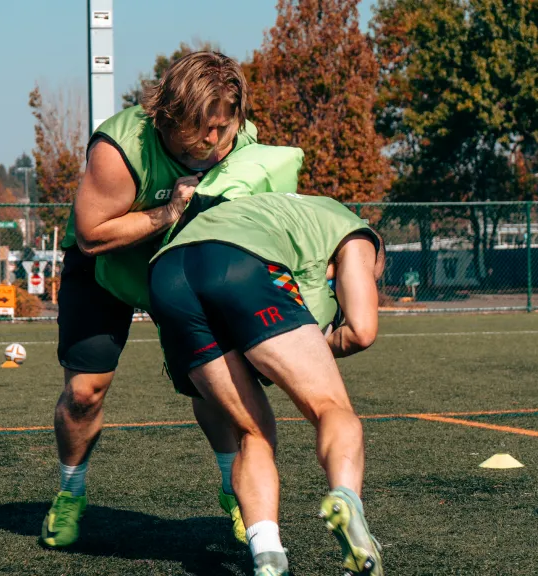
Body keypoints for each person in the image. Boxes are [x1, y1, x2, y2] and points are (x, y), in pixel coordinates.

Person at [42, 51, 259, 549]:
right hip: (106, 267)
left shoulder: (239, 140)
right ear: (168, 115)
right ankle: (71, 493)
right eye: (202, 128)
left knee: (216, 387)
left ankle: (236, 493)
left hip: (183, 265)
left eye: (223, 127)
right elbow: (91, 234)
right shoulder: (120, 148)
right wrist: (168, 212)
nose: (214, 140)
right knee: (84, 393)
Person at [149, 193, 386, 576]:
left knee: (252, 432)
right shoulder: (358, 236)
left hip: (166, 276)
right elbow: (360, 331)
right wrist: (308, 348)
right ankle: (346, 499)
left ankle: (268, 556)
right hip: (237, 261)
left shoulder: (288, 214)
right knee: (330, 408)